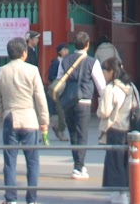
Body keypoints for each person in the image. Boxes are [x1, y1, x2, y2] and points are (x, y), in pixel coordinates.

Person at [0, 37, 51, 204]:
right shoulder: (32, 70)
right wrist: (44, 120)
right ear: (24, 53)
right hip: (29, 118)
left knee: (9, 162)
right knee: (32, 161)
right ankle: (32, 199)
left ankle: (11, 199)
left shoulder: (1, 71)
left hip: (10, 116)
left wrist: (2, 114)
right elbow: (40, 98)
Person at [56, 31, 98, 179]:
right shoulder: (92, 62)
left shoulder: (65, 60)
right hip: (84, 101)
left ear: (74, 45)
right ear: (87, 45)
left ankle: (77, 165)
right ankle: (79, 167)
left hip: (68, 100)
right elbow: (100, 84)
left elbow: (59, 79)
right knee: (82, 134)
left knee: (73, 133)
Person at [97, 57, 135, 204]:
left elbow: (104, 112)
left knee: (114, 163)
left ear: (111, 72)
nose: (104, 75)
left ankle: (119, 194)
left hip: (115, 128)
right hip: (129, 129)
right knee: (125, 162)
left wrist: (100, 105)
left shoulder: (111, 89)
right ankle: (122, 193)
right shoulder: (130, 86)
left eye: (104, 72)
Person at [47, 43, 73, 140]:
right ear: (59, 52)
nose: (66, 51)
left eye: (67, 49)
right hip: (58, 90)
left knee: (65, 112)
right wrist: (60, 80)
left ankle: (58, 128)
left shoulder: (68, 61)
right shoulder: (56, 62)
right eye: (64, 49)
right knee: (61, 112)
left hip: (65, 90)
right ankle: (60, 131)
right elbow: (50, 76)